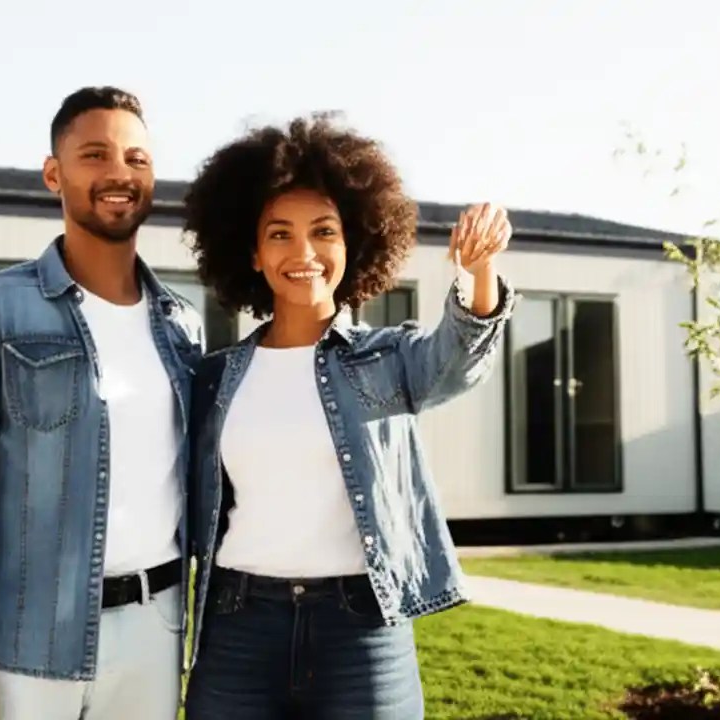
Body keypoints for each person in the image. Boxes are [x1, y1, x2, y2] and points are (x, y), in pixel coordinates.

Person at [181, 113, 517, 719]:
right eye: (279, 234)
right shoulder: (214, 377)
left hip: (361, 629)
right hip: (238, 626)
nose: (302, 252)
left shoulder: (385, 360)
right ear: (253, 253)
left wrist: (480, 271)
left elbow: (456, 360)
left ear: (352, 243)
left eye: (323, 232)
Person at [0, 86, 203, 720]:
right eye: (95, 155)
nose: (119, 173)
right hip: (26, 639)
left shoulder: (183, 325)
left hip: (156, 635)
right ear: (55, 174)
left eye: (137, 159)